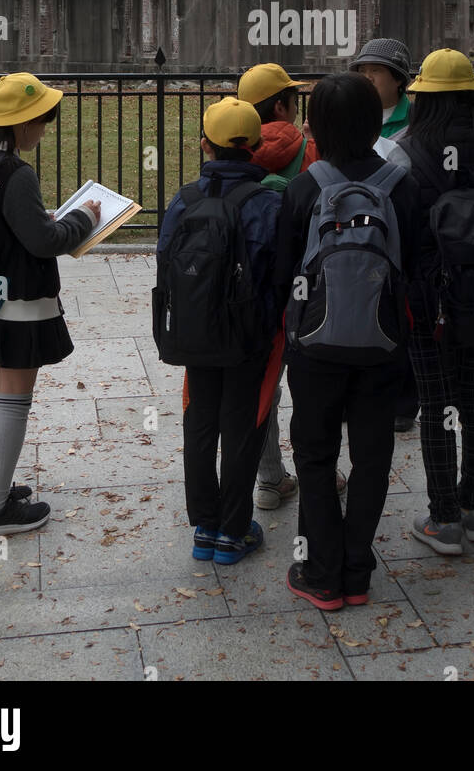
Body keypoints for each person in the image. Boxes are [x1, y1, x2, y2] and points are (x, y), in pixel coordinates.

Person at [275, 73, 420, 609]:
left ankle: (321, 570)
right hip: (383, 344)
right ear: (374, 120)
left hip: (314, 345)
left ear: (316, 125)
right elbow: (419, 266)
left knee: (315, 455)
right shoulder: (401, 186)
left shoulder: (305, 187)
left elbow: (283, 270)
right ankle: (357, 570)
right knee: (373, 456)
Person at [384, 49, 474, 556]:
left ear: (422, 98)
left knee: (437, 404)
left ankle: (443, 519)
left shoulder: (399, 151)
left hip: (426, 302)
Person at [0, 73, 100, 538]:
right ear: (24, 123)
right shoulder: (17, 174)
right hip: (22, 298)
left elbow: (7, 224)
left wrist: (38, 218)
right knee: (15, 401)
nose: (44, 130)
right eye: (42, 122)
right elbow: (42, 242)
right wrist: (83, 218)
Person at [156, 97, 282, 564]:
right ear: (254, 147)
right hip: (250, 338)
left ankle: (205, 527)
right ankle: (234, 530)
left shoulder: (184, 199)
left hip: (195, 333)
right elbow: (280, 271)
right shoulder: (268, 201)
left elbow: (165, 258)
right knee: (243, 424)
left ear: (204, 145)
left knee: (200, 421)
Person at [237, 63, 316, 511]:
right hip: (304, 286)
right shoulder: (310, 149)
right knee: (308, 382)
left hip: (252, 288)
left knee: (262, 383)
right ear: (284, 105)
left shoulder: (235, 151)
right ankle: (314, 468)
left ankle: (269, 479)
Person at [349, 38, 419, 431]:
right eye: (361, 71)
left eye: (374, 71)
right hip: (360, 229)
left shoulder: (415, 120)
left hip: (397, 225)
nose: (366, 77)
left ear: (397, 79)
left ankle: (404, 404)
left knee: (400, 310)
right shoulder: (354, 112)